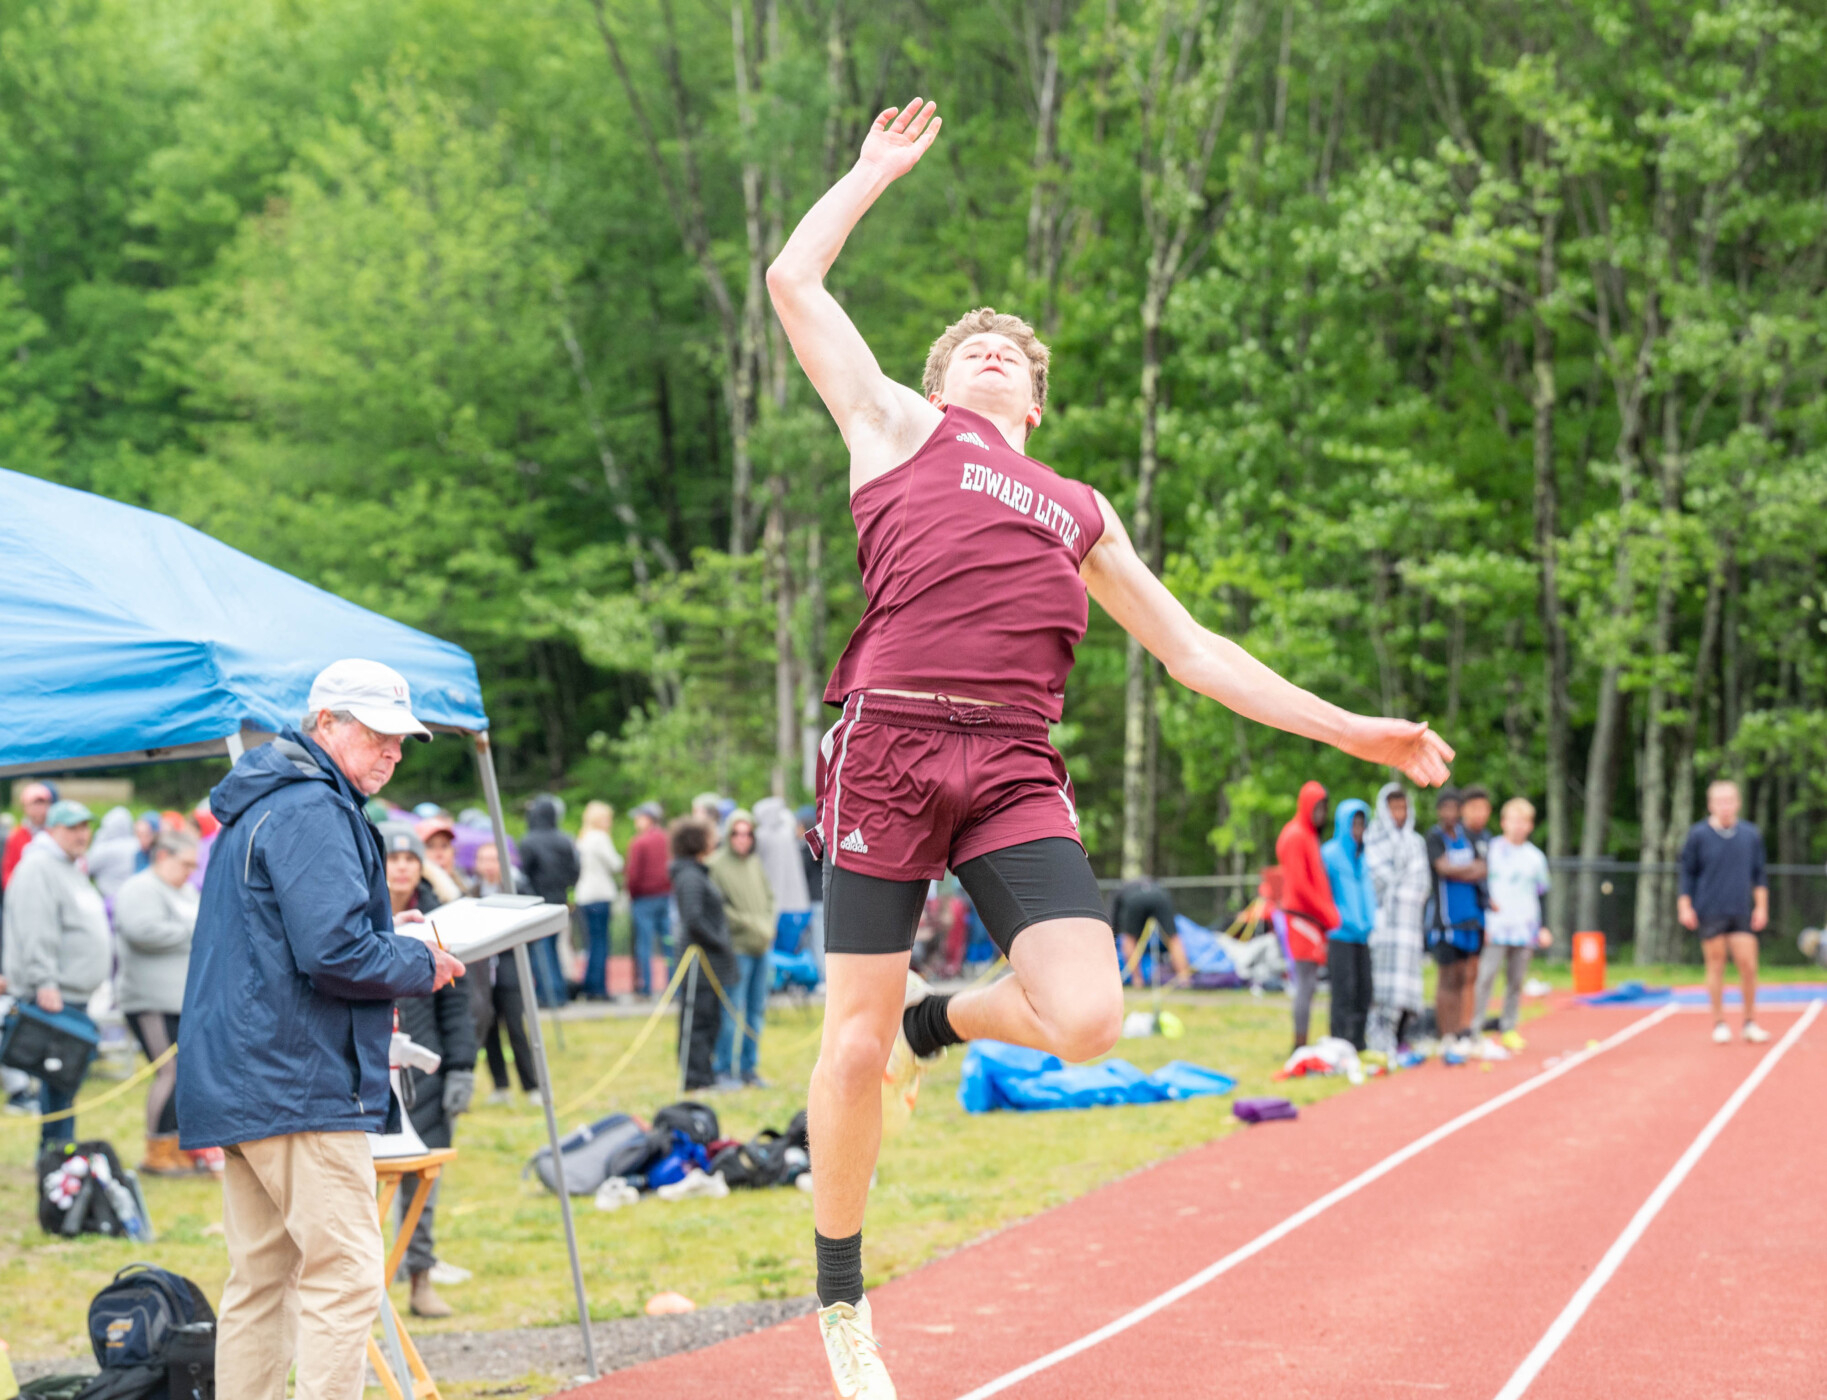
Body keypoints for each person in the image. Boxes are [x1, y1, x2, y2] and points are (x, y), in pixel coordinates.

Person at [766, 95, 1453, 1396]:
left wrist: (1350, 728)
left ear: (1033, 392)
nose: (984, 357)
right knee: (840, 1048)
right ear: (933, 381)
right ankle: (843, 1298)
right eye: (964, 349)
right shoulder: (894, 432)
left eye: (1003, 356)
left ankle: (938, 1023)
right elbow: (791, 277)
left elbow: (1194, 656)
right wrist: (865, 173)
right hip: (892, 750)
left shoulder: (1079, 509)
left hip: (1014, 767)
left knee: (1087, 1019)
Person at [176, 659, 466, 1400]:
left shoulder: (264, 803)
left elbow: (291, 939)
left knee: (261, 1281)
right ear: (326, 724)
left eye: (401, 739)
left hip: (244, 1076)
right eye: (377, 735)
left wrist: (386, 935)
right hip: (297, 1077)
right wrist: (414, 958)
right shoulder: (312, 808)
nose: (394, 752)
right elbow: (333, 954)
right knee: (344, 1277)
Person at [380, 825, 477, 1319]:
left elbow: (459, 1006)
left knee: (423, 1184)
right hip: (370, 1075)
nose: (401, 865)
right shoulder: (356, 919)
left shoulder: (437, 925)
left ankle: (420, 1279)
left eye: (409, 858)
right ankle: (365, 1290)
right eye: (392, 856)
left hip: (428, 1072)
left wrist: (462, 1066)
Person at [2, 799, 108, 1147]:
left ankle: (61, 1150)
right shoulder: (39, 867)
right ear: (52, 830)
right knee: (57, 1079)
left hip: (74, 992)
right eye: (72, 827)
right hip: (54, 994)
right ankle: (54, 1154)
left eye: (85, 826)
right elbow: (36, 929)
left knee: (65, 1080)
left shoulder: (69, 866)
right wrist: (45, 981)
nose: (82, 834)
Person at [113, 830, 208, 1176]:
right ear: (163, 856)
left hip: (183, 1000)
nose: (189, 872)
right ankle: (155, 1150)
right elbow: (140, 931)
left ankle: (178, 1147)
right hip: (150, 1000)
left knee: (186, 1075)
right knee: (168, 1072)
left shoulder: (184, 890)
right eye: (185, 864)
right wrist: (194, 931)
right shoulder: (139, 889)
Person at [1678, 779, 1770, 1044]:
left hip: (1740, 909)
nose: (1725, 806)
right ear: (1710, 805)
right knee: (1715, 965)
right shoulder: (1698, 835)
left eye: (1730, 800)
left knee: (1748, 965)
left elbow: (1759, 874)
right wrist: (1685, 906)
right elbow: (1687, 874)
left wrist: (1761, 907)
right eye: (1720, 801)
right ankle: (1719, 1022)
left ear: (1738, 803)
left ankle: (1750, 1021)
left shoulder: (1751, 835)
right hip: (1710, 908)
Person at [709, 808, 776, 1088]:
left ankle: (749, 1068)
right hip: (737, 948)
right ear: (728, 834)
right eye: (737, 833)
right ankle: (724, 1068)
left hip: (762, 947)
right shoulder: (716, 865)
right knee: (731, 1011)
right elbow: (718, 909)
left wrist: (768, 925)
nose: (742, 838)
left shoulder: (754, 862)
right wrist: (752, 924)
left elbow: (769, 898)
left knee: (756, 1010)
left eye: (747, 833)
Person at [1477, 796, 1552, 1038]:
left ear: (1530, 825)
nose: (1519, 826)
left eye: (1524, 821)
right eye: (1514, 821)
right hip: (1496, 926)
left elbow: (1543, 894)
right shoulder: (1491, 850)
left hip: (1524, 927)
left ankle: (1509, 1027)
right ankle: (1474, 1028)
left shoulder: (1535, 858)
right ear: (1503, 822)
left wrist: (1544, 927)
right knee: (1485, 978)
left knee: (1516, 981)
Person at [471, 841, 541, 1105]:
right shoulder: (472, 892)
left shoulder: (517, 889)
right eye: (484, 859)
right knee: (488, 1028)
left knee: (516, 1027)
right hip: (482, 970)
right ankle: (500, 1085)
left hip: (510, 967)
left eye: (494, 859)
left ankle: (531, 1084)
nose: (489, 865)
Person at [1365, 782, 1431, 1056]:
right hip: (1383, 926)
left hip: (1409, 925)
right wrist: (1396, 887)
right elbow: (1374, 877)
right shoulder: (1372, 839)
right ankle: (1378, 1037)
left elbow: (1421, 881)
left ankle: (1401, 1035)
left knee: (1407, 983)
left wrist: (1402, 890)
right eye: (1393, 807)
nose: (1398, 813)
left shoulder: (1416, 842)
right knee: (1380, 986)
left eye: (1402, 807)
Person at [670, 817, 734, 1092]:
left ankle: (705, 1074)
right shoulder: (689, 877)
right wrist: (720, 941)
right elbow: (693, 919)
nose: (715, 839)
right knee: (697, 1020)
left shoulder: (697, 872)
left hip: (710, 961)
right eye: (710, 835)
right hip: (699, 961)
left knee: (710, 1020)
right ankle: (695, 1079)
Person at [1276, 782, 1339, 1050]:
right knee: (1306, 983)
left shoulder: (1308, 835)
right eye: (1318, 807)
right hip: (1302, 917)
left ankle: (1302, 1041)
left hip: (1311, 918)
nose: (1321, 813)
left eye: (1324, 808)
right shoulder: (1296, 835)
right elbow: (1300, 884)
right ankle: (1299, 1044)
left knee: (1310, 985)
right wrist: (1326, 912)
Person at [1426, 786, 1487, 1056]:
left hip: (1470, 918)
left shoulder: (1467, 837)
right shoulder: (1434, 837)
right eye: (1445, 808)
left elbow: (1483, 869)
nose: (1450, 813)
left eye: (1455, 808)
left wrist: (1459, 871)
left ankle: (1463, 1031)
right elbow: (1443, 868)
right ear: (1439, 811)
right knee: (1447, 978)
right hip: (1445, 920)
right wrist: (1468, 870)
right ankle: (1446, 1034)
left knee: (1466, 976)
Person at [1321, 797, 1375, 1050]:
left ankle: (1358, 1042)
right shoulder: (1330, 854)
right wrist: (1335, 918)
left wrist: (1370, 920)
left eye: (1362, 824)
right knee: (1344, 991)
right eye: (1354, 824)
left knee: (1365, 990)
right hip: (1340, 934)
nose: (1358, 830)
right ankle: (1340, 1042)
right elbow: (1322, 893)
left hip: (1362, 935)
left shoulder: (1363, 855)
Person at [518, 796, 579, 1007]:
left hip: (537, 902)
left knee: (541, 951)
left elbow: (523, 873)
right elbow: (575, 871)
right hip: (560, 900)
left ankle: (549, 995)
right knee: (554, 949)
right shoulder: (565, 840)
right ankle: (558, 992)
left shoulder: (529, 840)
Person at [574, 800, 624, 1001]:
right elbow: (616, 863)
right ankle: (598, 988)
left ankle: (591, 984)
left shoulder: (583, 837)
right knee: (601, 943)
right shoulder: (600, 838)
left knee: (591, 943)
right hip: (599, 895)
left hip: (584, 896)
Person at [624, 802, 673, 997]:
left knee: (644, 944)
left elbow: (633, 874)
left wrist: (631, 892)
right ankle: (674, 985)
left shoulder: (639, 842)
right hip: (665, 897)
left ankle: (646, 987)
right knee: (669, 943)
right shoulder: (668, 839)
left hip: (644, 899)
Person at [754, 795, 812, 959]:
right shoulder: (788, 833)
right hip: (799, 905)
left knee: (774, 956)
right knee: (790, 954)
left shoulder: (762, 836)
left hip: (776, 906)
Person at [1109, 878, 1188, 987]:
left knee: (1129, 939)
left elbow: (1113, 921)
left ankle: (1137, 980)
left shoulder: (1120, 891)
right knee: (1173, 938)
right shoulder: (1155, 885)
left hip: (1135, 900)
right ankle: (1185, 979)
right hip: (1160, 896)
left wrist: (1115, 935)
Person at [2, 780, 56, 888]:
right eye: (35, 804)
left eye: (43, 803)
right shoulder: (16, 836)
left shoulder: (56, 832)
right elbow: (8, 869)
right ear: (25, 807)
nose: (40, 809)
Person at [86, 805, 143, 902]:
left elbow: (86, 867)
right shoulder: (137, 844)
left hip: (108, 900)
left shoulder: (105, 848)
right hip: (134, 897)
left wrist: (99, 838)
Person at [796, 804, 827, 978]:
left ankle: (823, 978)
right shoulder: (821, 844)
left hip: (815, 900)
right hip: (823, 898)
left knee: (817, 941)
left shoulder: (807, 848)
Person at [416, 815, 471, 904]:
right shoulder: (415, 894)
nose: (439, 854)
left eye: (444, 846)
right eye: (430, 846)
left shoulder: (462, 882)